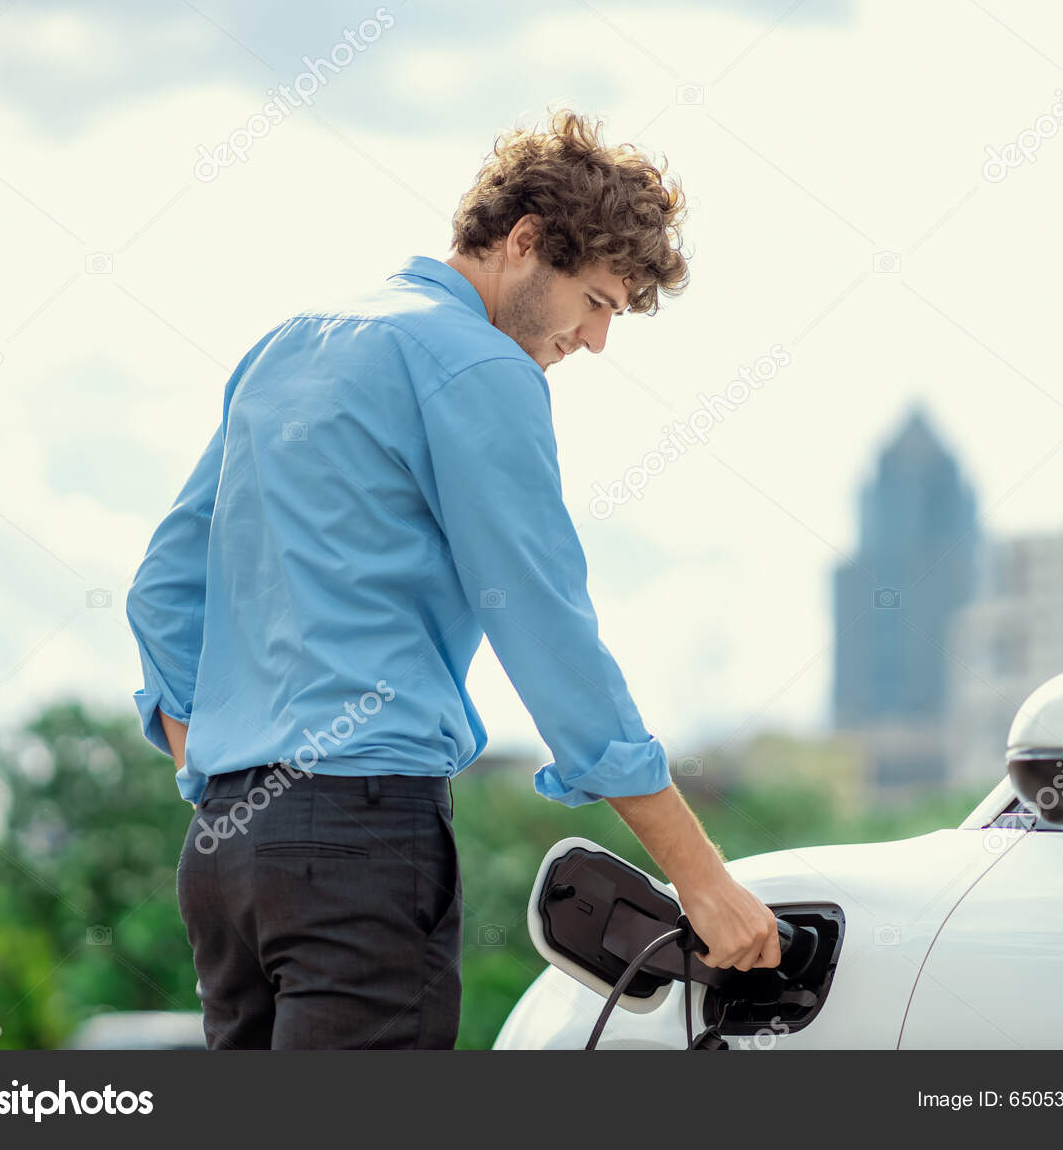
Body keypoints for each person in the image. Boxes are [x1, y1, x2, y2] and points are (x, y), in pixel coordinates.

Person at [124, 109, 781, 1050]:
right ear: (524, 243)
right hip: (356, 841)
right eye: (596, 300)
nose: (597, 339)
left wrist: (223, 776)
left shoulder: (288, 346)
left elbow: (160, 589)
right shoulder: (481, 367)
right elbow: (548, 629)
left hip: (225, 852)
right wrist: (702, 878)